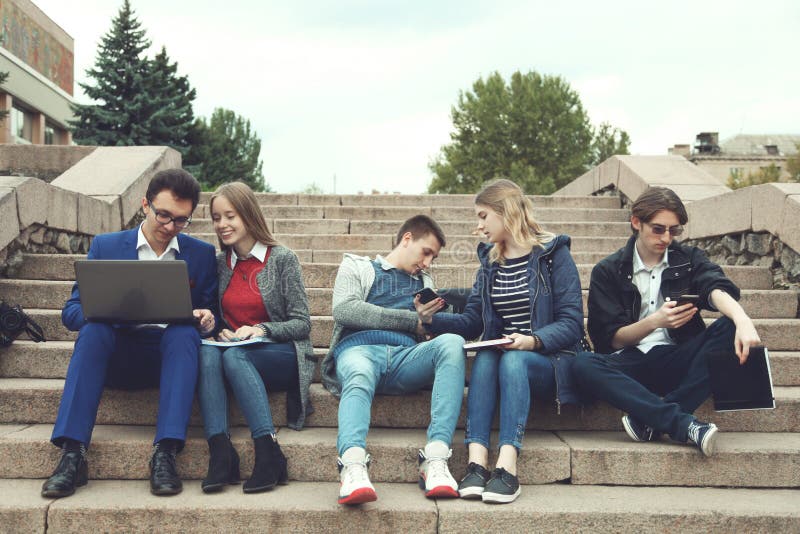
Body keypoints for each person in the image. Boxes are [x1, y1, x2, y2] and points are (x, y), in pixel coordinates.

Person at [41, 169, 218, 498]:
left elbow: (214, 314)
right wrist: (107, 310)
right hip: (116, 356)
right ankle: (72, 453)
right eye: (163, 215)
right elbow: (71, 312)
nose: (170, 226)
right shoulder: (106, 246)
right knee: (94, 330)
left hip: (172, 360)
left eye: (181, 220)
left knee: (184, 332)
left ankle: (165, 453)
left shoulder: (201, 254)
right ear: (145, 205)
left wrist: (208, 319)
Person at [418, 179, 583, 504]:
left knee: (512, 358)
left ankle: (507, 466)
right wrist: (429, 320)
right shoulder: (491, 262)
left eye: (483, 216)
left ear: (506, 212)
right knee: (488, 355)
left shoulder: (553, 254)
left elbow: (572, 323)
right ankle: (477, 463)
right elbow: (473, 322)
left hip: (549, 359)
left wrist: (532, 340)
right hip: (505, 355)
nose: (478, 226)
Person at [573, 187, 761, 457]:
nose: (666, 238)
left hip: (678, 358)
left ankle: (648, 420)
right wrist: (655, 322)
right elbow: (610, 339)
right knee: (582, 364)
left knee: (729, 326)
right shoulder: (608, 270)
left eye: (674, 231)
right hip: (629, 363)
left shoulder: (689, 259)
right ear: (636, 222)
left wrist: (742, 319)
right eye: (658, 229)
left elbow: (714, 286)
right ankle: (682, 424)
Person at [320, 215, 466, 505]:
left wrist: (433, 321)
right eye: (426, 252)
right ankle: (352, 465)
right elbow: (346, 310)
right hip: (359, 351)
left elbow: (439, 328)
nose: (428, 263)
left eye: (434, 258)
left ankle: (435, 458)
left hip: (406, 359)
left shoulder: (425, 283)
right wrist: (412, 320)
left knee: (453, 343)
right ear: (407, 239)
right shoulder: (357, 266)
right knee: (359, 373)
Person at [197, 182, 314, 494]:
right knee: (207, 352)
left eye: (230, 216)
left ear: (248, 215)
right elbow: (217, 314)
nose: (222, 224)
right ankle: (221, 453)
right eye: (216, 218)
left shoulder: (282, 259)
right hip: (234, 351)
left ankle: (268, 451)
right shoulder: (220, 264)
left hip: (281, 353)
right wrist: (217, 328)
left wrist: (262, 329)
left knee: (236, 356)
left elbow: (302, 324)